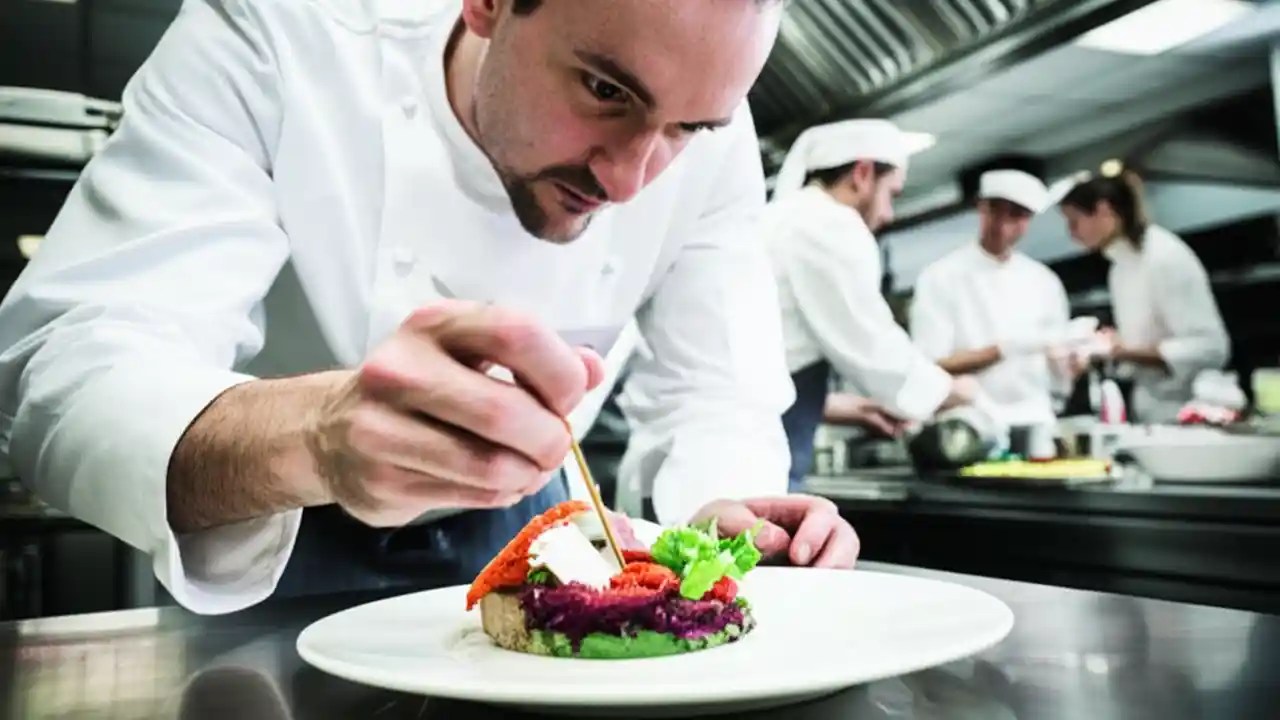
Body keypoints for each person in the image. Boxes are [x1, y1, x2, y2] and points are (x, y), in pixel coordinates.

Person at [0, 0, 860, 616]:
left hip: (545, 527)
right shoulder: (278, 31)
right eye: (605, 90)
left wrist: (724, 510)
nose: (630, 180)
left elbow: (718, 393)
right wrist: (316, 435)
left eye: (686, 131)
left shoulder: (717, 135)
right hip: (270, 527)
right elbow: (66, 365)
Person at [761, 119, 977, 492]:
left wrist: (850, 408)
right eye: (891, 193)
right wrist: (948, 392)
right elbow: (871, 344)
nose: (889, 213)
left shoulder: (785, 217)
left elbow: (773, 360)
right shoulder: (827, 225)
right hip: (755, 453)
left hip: (743, 436)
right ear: (862, 173)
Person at [1057, 168, 1230, 423]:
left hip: (1192, 410)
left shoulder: (1164, 256)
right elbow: (1138, 346)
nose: (1071, 233)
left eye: (1075, 221)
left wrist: (1120, 351)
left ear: (1104, 210)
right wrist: (1112, 344)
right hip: (1148, 411)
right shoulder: (1119, 268)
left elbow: (1210, 348)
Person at [910, 169, 1078, 427]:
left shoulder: (1043, 282)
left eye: (1017, 215)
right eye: (996, 211)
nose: (1003, 225)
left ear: (1029, 219)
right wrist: (1002, 350)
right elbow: (930, 365)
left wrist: (1074, 358)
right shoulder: (940, 277)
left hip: (1035, 417)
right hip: (968, 422)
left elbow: (1061, 370)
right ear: (981, 207)